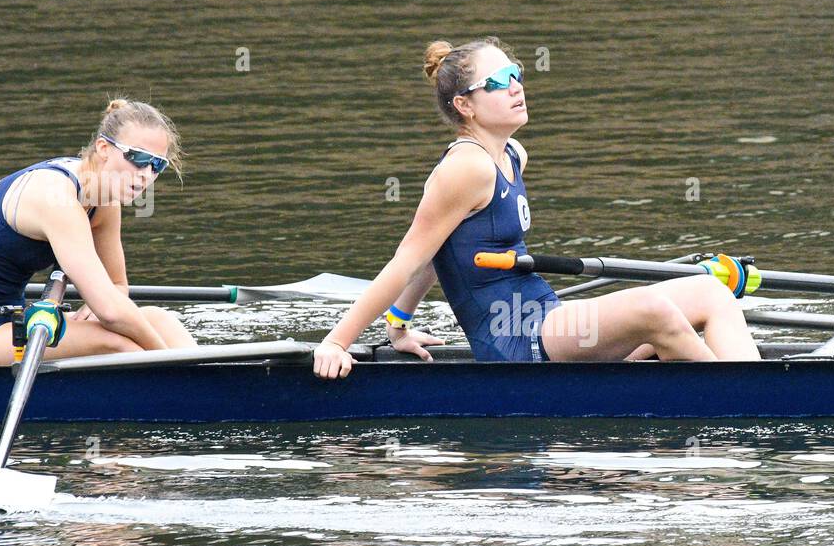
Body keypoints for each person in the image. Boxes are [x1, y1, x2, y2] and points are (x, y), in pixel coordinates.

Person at [313, 37, 759, 379]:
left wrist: (399, 325)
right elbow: (406, 260)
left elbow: (437, 251)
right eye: (498, 83)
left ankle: (755, 388)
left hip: (545, 316)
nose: (516, 88)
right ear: (464, 105)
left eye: (516, 74)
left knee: (710, 293)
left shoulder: (512, 154)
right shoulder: (465, 168)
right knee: (653, 308)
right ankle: (741, 404)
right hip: (514, 339)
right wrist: (336, 342)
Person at [0, 98, 195, 366]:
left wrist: (105, 305)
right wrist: (166, 361)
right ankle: (185, 385)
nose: (147, 173)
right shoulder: (56, 197)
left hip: (13, 320)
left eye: (157, 164)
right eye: (138, 158)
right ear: (103, 148)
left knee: (161, 320)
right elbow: (111, 313)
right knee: (116, 342)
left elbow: (116, 286)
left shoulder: (104, 198)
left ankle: (209, 382)